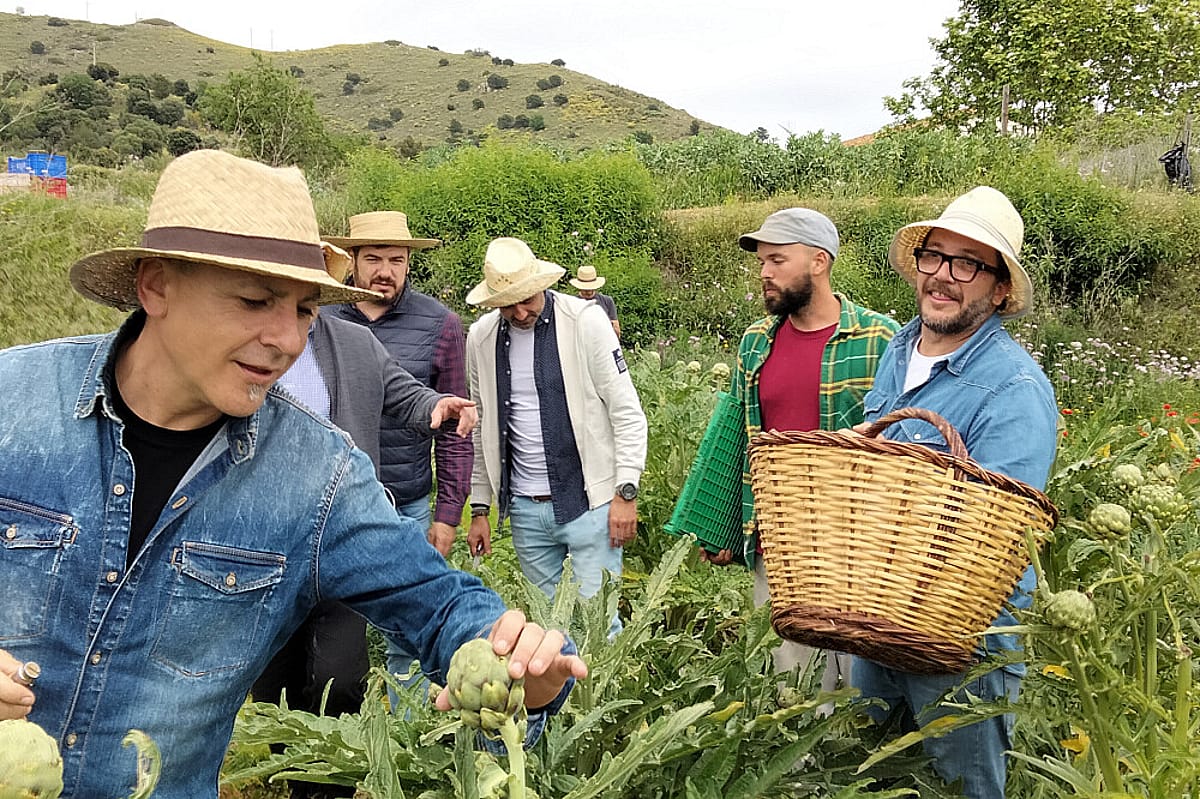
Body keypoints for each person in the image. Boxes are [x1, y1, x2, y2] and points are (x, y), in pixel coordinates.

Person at [0, 150, 586, 798]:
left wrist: (518, 664)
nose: (287, 339)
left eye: (306, 310)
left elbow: (439, 603)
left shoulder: (318, 476)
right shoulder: (12, 401)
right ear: (157, 285)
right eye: (255, 301)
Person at [852, 186, 1058, 799]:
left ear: (999, 290)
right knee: (866, 773)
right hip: (878, 616)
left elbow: (995, 536)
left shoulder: (1014, 389)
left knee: (960, 788)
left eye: (967, 263)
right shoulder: (899, 349)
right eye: (934, 256)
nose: (942, 275)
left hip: (960, 640)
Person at [252, 285, 477, 781]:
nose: (295, 313)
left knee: (339, 675)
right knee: (273, 681)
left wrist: (438, 405)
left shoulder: (353, 342)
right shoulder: (249, 342)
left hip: (340, 535)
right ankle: (294, 773)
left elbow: (404, 393)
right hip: (266, 544)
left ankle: (334, 777)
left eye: (307, 302)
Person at [692, 208, 898, 701]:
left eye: (778, 260)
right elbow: (737, 433)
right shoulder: (755, 342)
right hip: (781, 544)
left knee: (867, 689)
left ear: (819, 262)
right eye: (762, 262)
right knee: (793, 692)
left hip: (857, 546)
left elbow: (905, 442)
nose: (765, 272)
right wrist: (721, 525)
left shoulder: (881, 339)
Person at [464, 238, 647, 635]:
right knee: (549, 631)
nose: (520, 311)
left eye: (526, 299)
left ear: (541, 285)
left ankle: (601, 679)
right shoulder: (480, 338)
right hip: (526, 510)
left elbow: (626, 411)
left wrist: (625, 491)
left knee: (599, 626)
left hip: (590, 502)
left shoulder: (585, 322)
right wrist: (480, 508)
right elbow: (482, 427)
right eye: (507, 304)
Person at [325, 212, 472, 693]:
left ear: (409, 263)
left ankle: (406, 728)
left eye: (396, 259)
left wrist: (448, 514)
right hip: (334, 506)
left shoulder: (440, 324)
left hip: (405, 503)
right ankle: (336, 725)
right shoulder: (321, 317)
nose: (385, 271)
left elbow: (454, 425)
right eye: (373, 259)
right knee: (329, 631)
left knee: (408, 631)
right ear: (351, 261)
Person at [569, 264, 621, 339]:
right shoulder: (572, 303)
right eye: (585, 289)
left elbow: (616, 330)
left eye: (591, 288)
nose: (589, 292)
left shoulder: (607, 301)